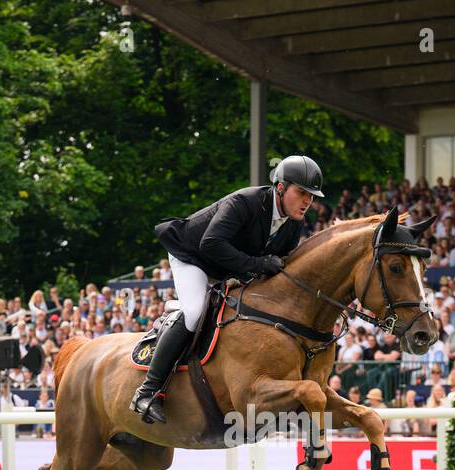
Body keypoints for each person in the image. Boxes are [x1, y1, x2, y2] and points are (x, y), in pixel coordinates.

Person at [130, 154, 323, 424]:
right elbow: (211, 244)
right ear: (280, 187)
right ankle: (147, 391)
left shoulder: (293, 223)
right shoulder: (245, 202)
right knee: (195, 312)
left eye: (312, 196)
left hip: (228, 269)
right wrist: (256, 264)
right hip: (193, 257)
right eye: (301, 192)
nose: (307, 201)